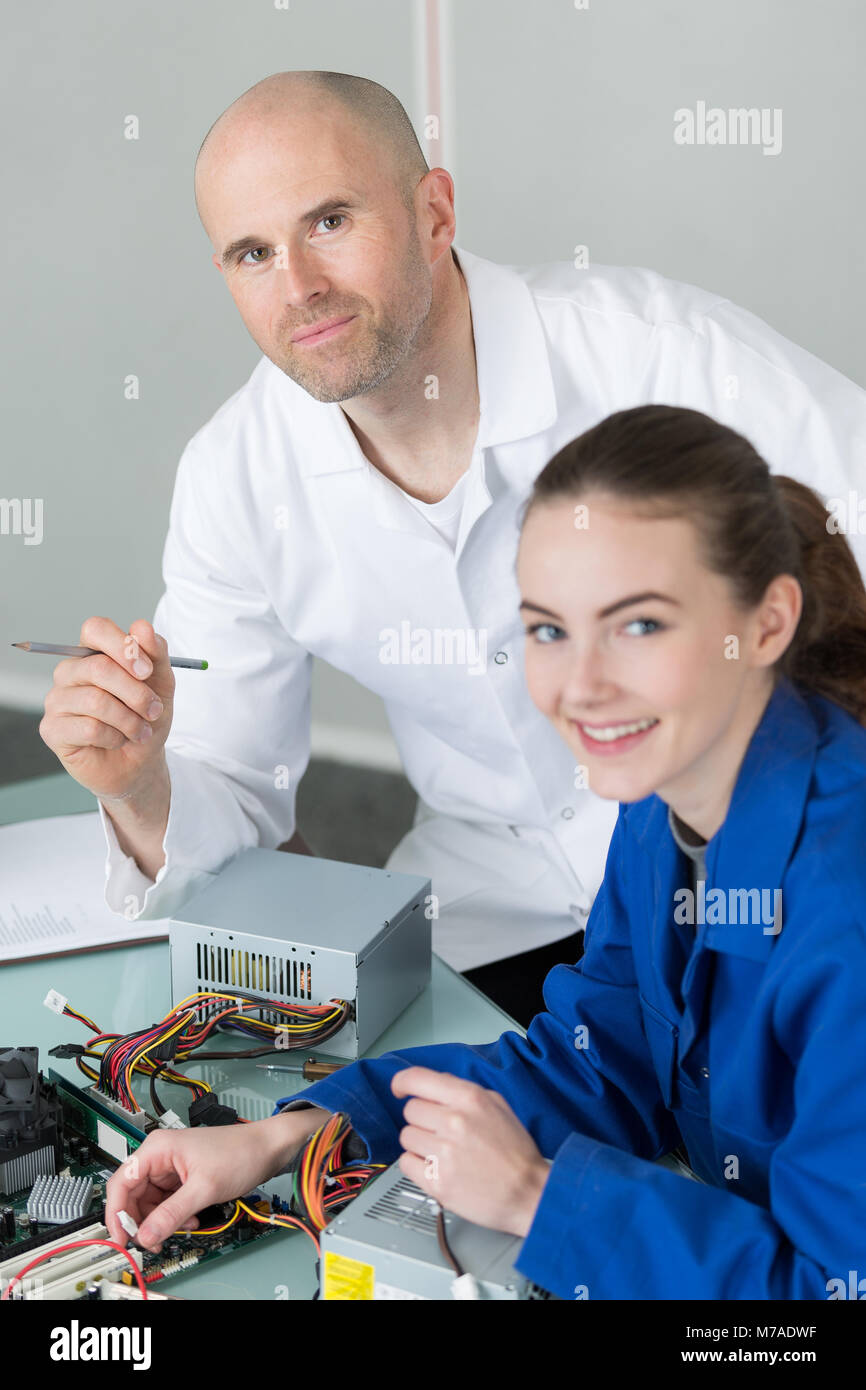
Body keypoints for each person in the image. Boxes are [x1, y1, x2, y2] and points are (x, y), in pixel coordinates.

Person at [39, 70, 866, 1025]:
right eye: (253, 252)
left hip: (743, 859)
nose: (300, 287)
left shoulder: (656, 356)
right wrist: (142, 783)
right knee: (338, 1131)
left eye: (331, 222)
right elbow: (232, 779)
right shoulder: (237, 473)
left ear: (434, 212)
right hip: (489, 903)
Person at [105, 404, 866, 1298]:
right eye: (548, 630)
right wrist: (295, 1133)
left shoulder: (842, 914)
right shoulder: (667, 795)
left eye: (641, 626)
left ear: (768, 622)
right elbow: (602, 1055)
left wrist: (540, 1201)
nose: (581, 688)